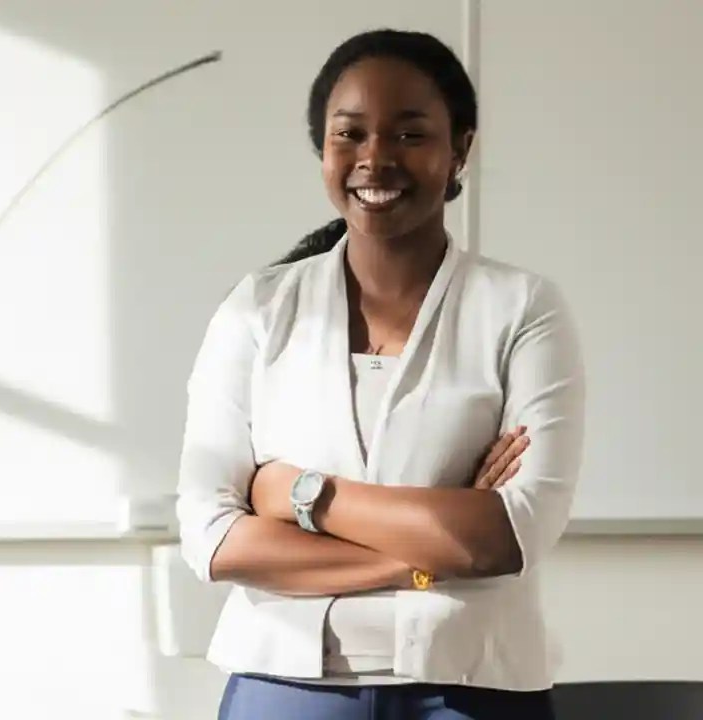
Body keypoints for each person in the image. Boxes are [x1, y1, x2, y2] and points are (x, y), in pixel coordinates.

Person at [175, 28, 585, 719]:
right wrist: (423, 560)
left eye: (409, 135)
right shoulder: (258, 308)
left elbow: (511, 533)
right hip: (285, 684)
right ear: (324, 150)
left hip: (472, 682)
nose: (375, 159)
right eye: (351, 135)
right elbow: (214, 538)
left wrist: (294, 493)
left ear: (461, 149)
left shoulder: (523, 308)